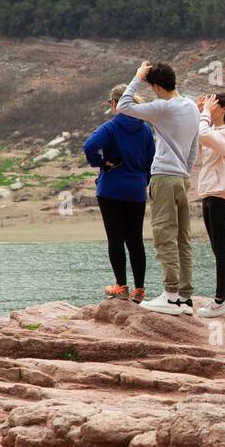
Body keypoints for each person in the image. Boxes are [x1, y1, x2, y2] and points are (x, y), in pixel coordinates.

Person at [117, 61, 200, 315]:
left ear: (155, 86)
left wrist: (136, 77)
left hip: (163, 177)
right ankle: (185, 298)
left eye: (151, 86)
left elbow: (123, 106)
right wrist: (185, 172)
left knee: (164, 235)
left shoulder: (163, 108)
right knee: (183, 238)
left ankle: (170, 295)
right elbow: (194, 147)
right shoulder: (192, 107)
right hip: (182, 179)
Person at [84, 83, 155, 304]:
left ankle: (121, 286)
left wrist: (102, 163)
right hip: (135, 192)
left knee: (115, 238)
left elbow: (89, 146)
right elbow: (151, 159)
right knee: (135, 240)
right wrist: (143, 180)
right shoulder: (145, 129)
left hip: (111, 190)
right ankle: (140, 290)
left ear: (116, 103)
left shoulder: (111, 127)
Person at [194, 91, 225, 317]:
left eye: (213, 104)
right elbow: (198, 138)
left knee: (221, 247)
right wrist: (199, 113)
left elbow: (202, 134)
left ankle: (221, 299)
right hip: (209, 191)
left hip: (219, 193)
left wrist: (202, 114)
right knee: (217, 247)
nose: (209, 107)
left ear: (224, 108)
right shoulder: (214, 131)